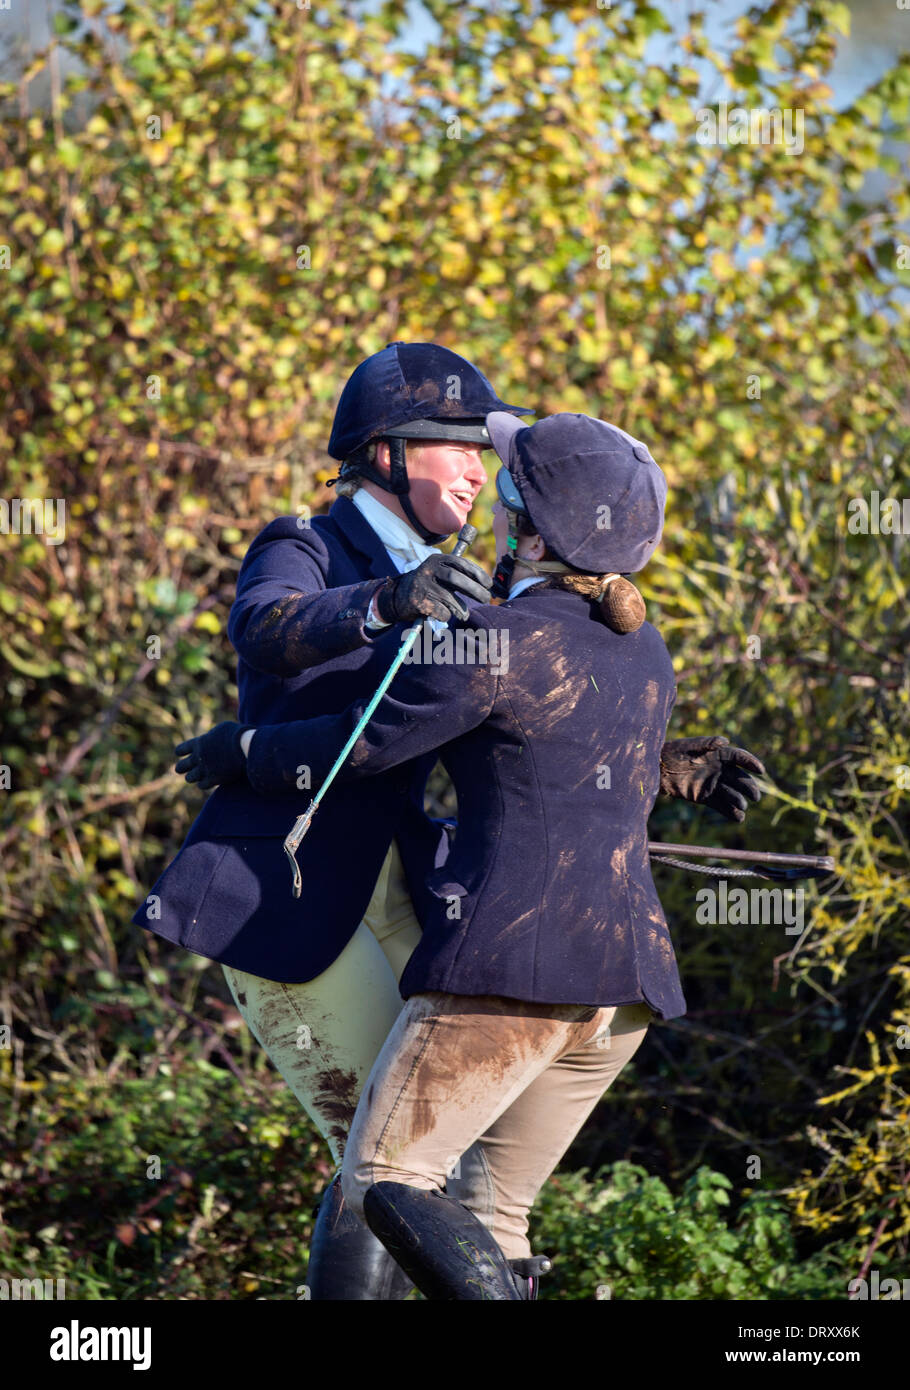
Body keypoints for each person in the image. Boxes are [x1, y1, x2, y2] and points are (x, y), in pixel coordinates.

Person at [144, 344, 764, 1300]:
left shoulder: (472, 576)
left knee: (408, 1168)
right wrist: (385, 601)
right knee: (383, 1165)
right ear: (385, 453)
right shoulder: (303, 544)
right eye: (458, 447)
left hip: (406, 889)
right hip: (294, 893)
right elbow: (266, 626)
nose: (480, 470)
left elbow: (512, 716)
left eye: (488, 455)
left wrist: (671, 765)